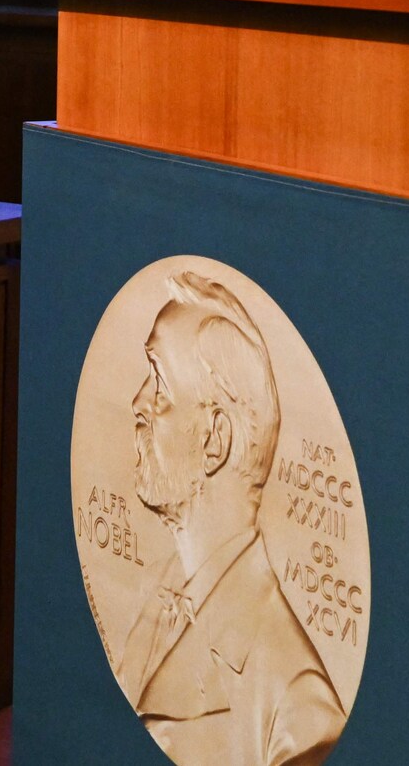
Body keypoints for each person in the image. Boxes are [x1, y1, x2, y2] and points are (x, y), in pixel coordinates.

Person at [117, 270, 345, 766]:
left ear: (215, 440)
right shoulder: (156, 605)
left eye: (158, 383)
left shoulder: (299, 710)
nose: (138, 403)